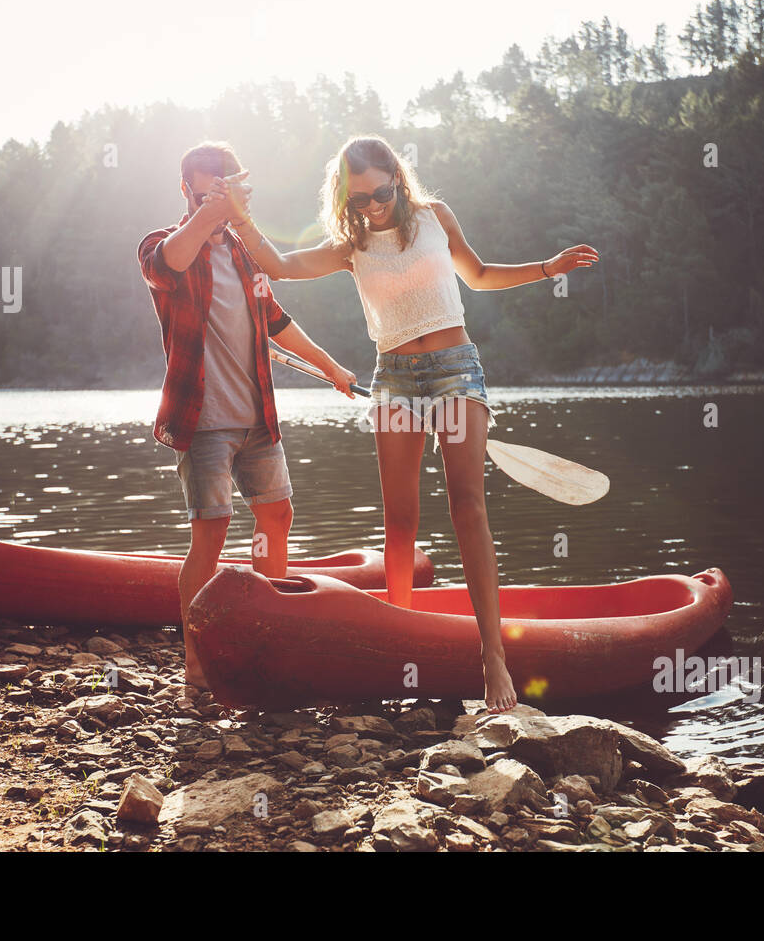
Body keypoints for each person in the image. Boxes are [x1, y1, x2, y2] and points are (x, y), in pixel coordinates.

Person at [214, 135, 597, 712]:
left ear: (397, 175)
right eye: (359, 197)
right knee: (400, 520)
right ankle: (401, 641)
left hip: (455, 371)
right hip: (393, 377)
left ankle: (493, 655)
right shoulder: (352, 244)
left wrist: (548, 268)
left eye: (380, 192)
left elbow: (482, 275)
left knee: (467, 507)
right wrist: (236, 215)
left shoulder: (435, 218)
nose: (372, 205)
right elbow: (280, 265)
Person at [137, 141, 358, 699]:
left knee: (277, 516)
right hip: (202, 419)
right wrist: (214, 209)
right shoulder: (162, 247)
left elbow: (278, 322)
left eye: (229, 184)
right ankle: (196, 660)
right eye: (210, 186)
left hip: (257, 417)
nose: (222, 194)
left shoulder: (244, 252)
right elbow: (170, 263)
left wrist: (332, 368)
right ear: (187, 188)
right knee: (210, 534)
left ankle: (268, 636)